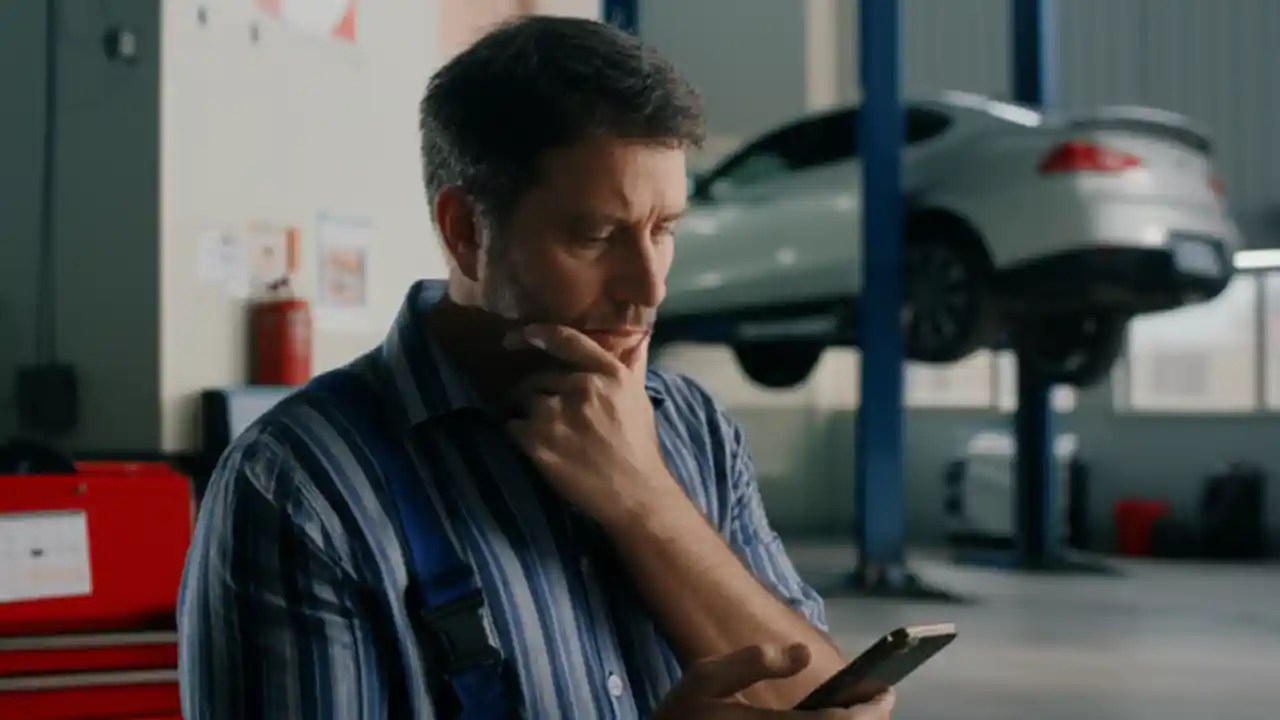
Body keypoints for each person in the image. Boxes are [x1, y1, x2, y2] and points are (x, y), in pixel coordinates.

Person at [178, 15, 894, 720]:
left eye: (663, 230)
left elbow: (816, 694)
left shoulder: (694, 431)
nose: (647, 287)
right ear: (466, 232)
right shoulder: (302, 490)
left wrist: (645, 499)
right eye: (596, 234)